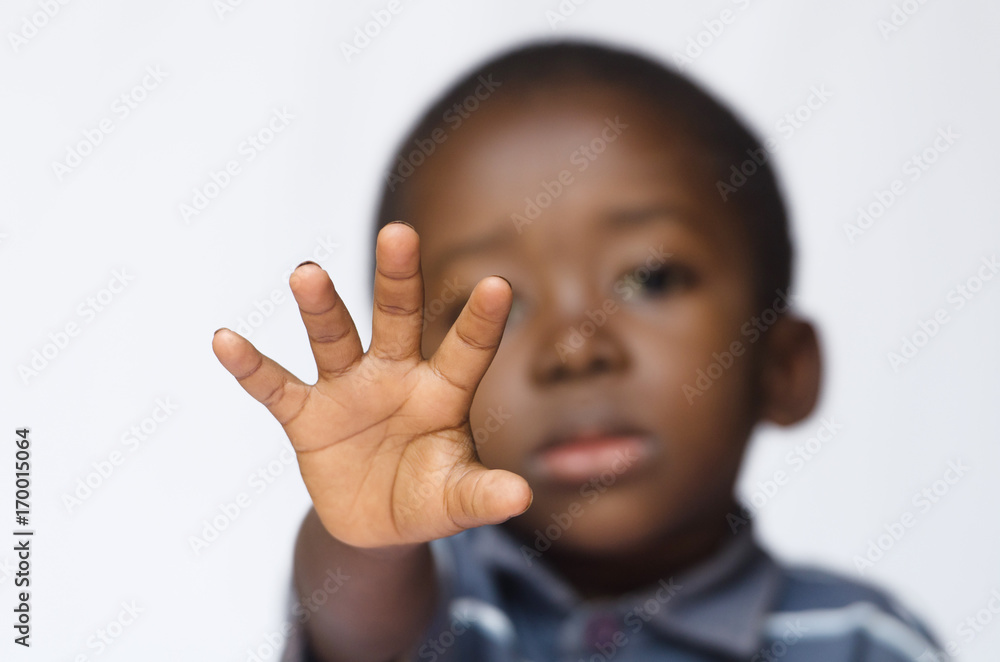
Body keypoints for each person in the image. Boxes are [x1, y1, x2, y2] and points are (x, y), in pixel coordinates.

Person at [212, 40, 944, 662]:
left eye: (649, 278)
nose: (573, 347)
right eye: (489, 306)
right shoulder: (440, 618)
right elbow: (358, 626)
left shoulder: (858, 640)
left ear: (783, 367)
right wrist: (369, 541)